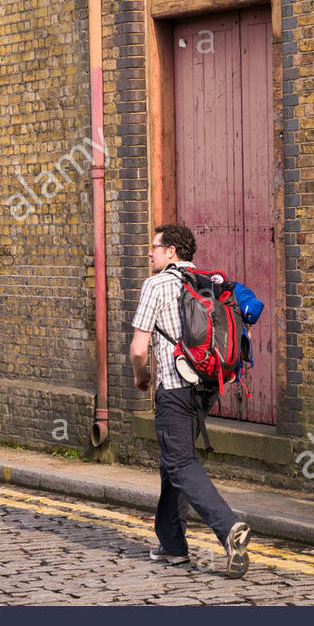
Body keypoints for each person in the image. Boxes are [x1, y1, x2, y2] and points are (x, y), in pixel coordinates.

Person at [130, 223, 252, 578]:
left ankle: (228, 527)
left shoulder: (156, 285)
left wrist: (140, 374)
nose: (149, 253)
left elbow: (139, 348)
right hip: (206, 385)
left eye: (155, 247)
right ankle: (172, 544)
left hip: (173, 387)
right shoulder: (207, 281)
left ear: (171, 252)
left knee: (180, 462)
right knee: (175, 460)